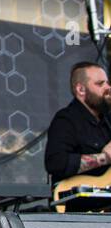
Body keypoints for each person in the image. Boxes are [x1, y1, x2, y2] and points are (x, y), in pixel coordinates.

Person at [45, 61, 111, 191]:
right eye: (100, 84)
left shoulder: (108, 119)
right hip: (80, 205)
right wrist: (104, 158)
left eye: (107, 83)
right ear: (81, 90)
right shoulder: (66, 120)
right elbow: (55, 163)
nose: (108, 88)